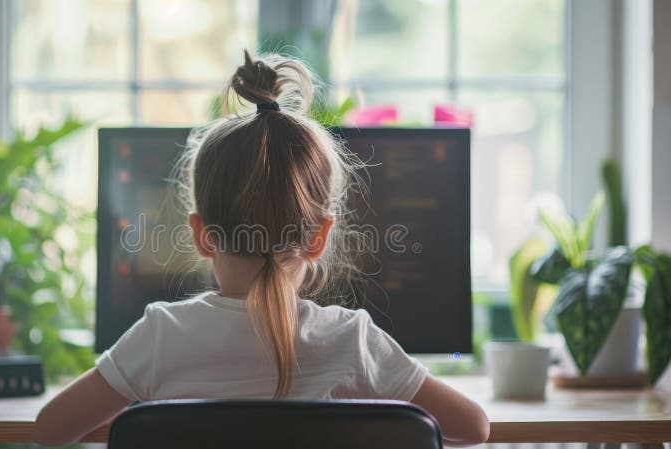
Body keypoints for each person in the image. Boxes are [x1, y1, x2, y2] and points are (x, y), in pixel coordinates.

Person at [35, 51, 489, 447]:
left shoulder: (161, 336)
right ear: (319, 237)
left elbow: (51, 428)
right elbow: (474, 427)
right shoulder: (353, 342)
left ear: (202, 234)